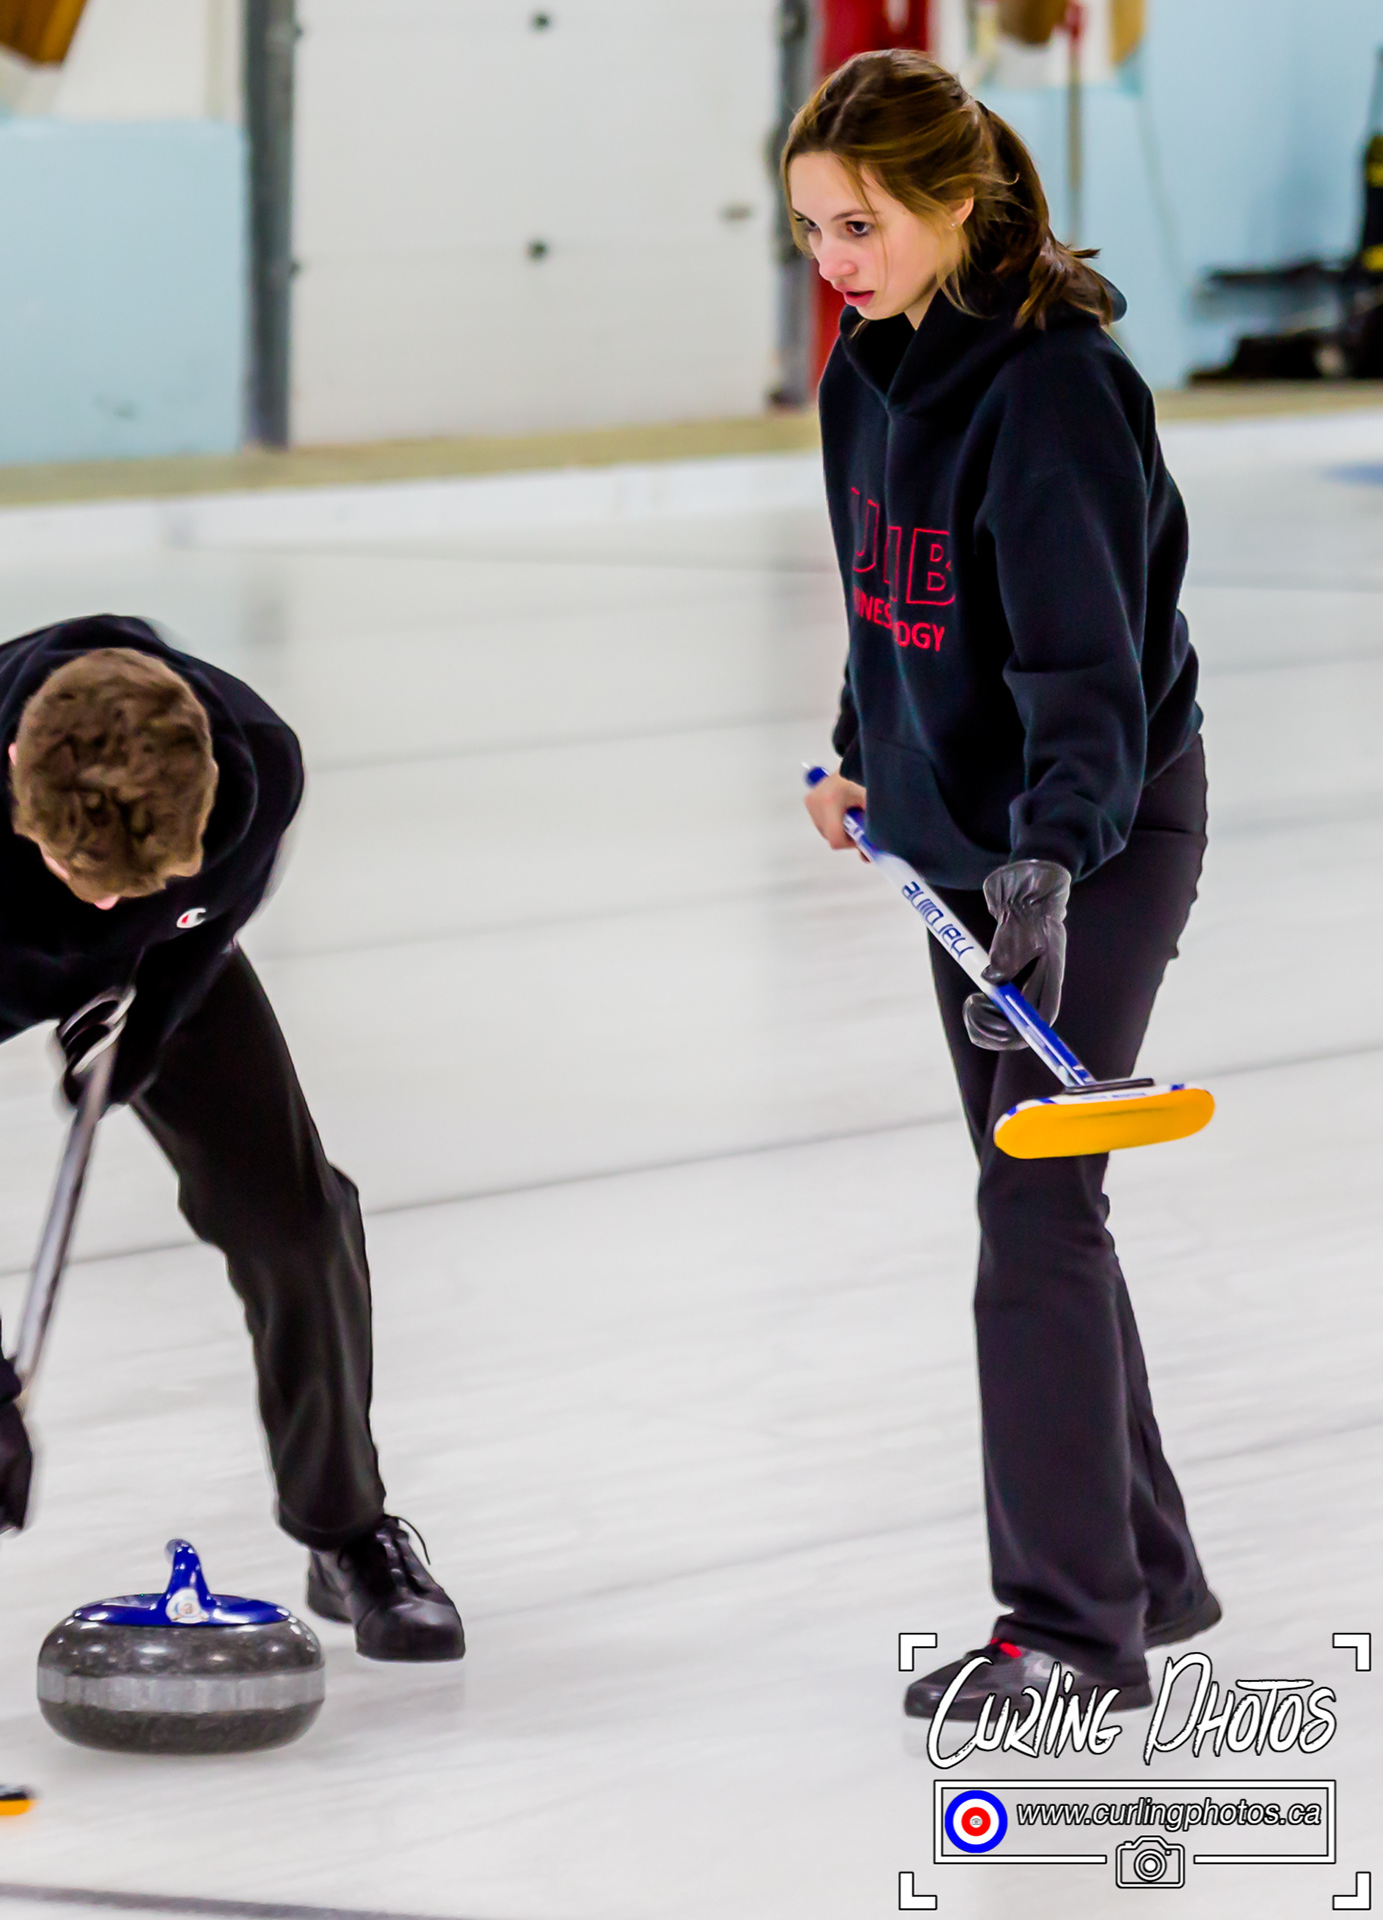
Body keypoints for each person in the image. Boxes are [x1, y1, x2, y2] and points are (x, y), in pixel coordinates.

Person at [0, 618, 464, 1701]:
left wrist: (147, 1018)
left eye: (139, 877)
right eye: (84, 871)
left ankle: (345, 1528)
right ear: (23, 769)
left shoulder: (258, 764)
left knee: (295, 1219)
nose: (108, 897)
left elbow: (206, 915)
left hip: (138, 967)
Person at [786, 50, 1220, 1721]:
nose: (835, 255)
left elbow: (1086, 669)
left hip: (1094, 838)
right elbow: (881, 597)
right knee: (1036, 1189)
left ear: (956, 203)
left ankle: (1069, 1633)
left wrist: (1049, 858)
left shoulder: (1054, 393)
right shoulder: (865, 368)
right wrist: (858, 748)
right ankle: (1146, 1571)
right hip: (965, 844)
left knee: (1034, 1206)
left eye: (864, 220)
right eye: (815, 226)